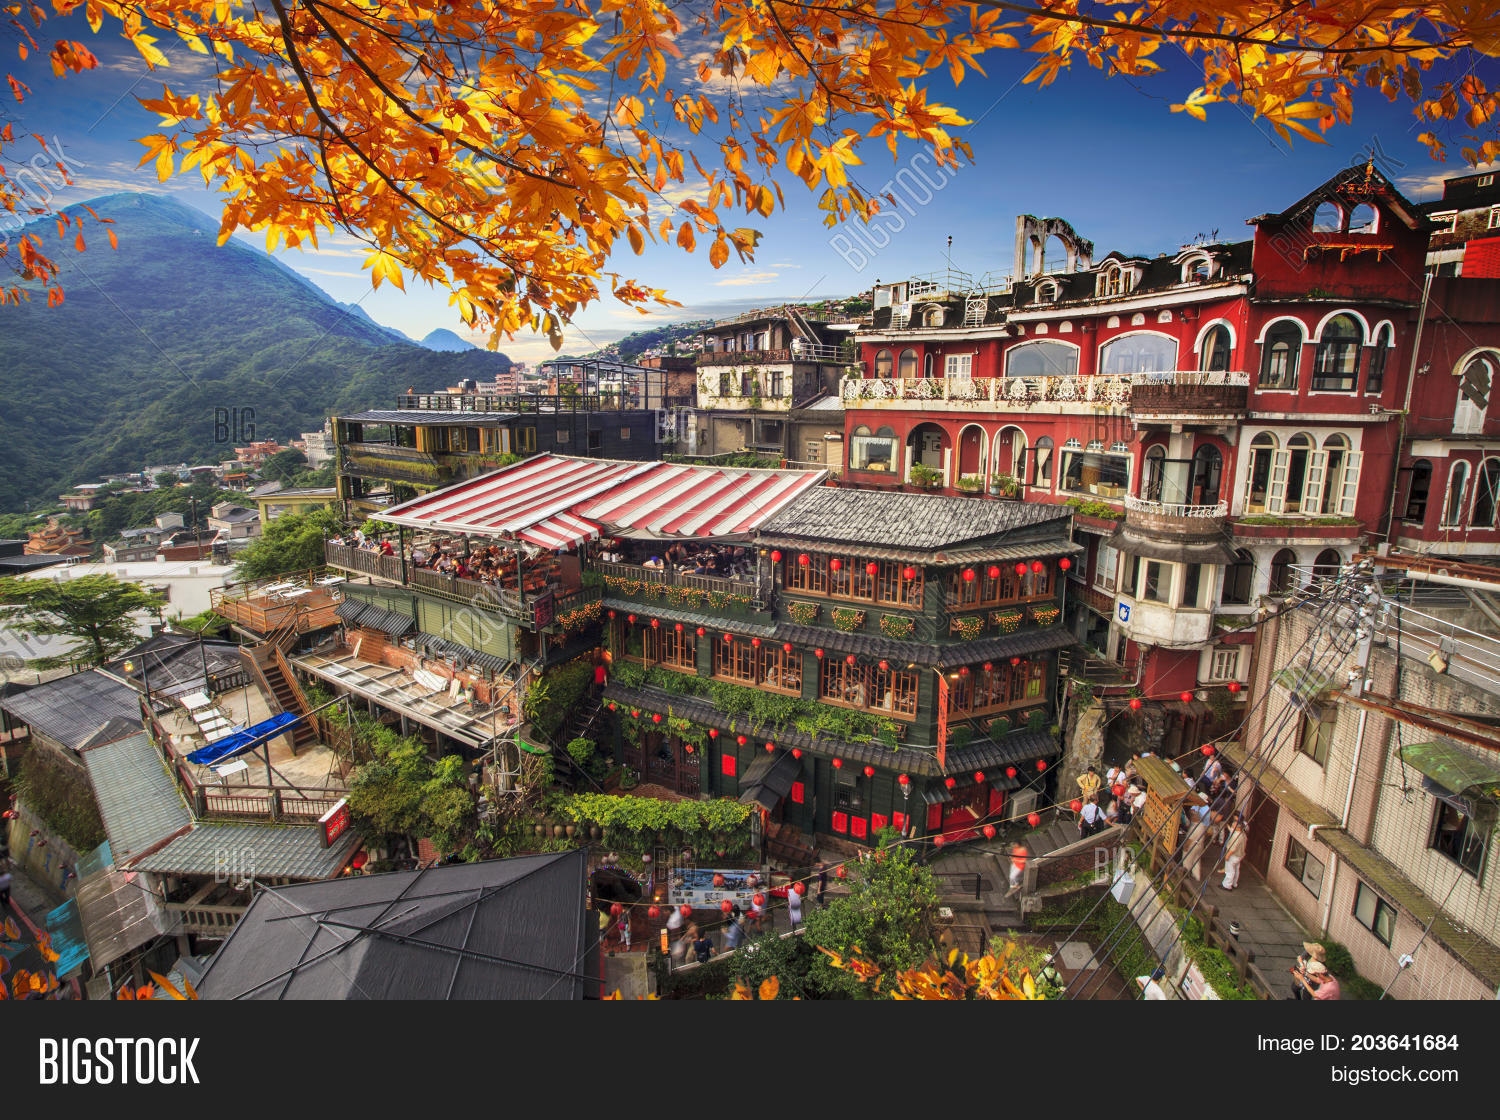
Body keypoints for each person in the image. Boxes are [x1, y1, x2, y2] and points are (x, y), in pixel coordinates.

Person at [1221, 814, 1247, 890]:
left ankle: (1227, 885)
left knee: (1230, 870)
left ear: (1238, 827)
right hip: (1240, 855)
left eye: (1234, 824)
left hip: (1234, 855)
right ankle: (1234, 883)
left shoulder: (1236, 836)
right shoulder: (1242, 834)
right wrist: (1227, 826)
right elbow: (1232, 830)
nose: (1233, 825)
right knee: (1236, 869)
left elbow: (1233, 848)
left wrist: (1227, 855)